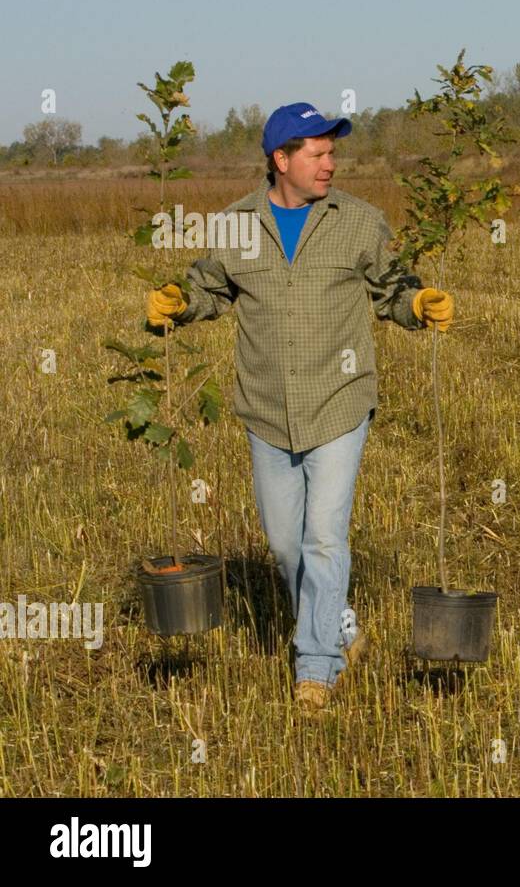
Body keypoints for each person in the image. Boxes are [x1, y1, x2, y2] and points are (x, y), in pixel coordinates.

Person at [145, 103, 454, 711]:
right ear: (280, 160)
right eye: (317, 153)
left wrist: (417, 306)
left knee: (322, 539)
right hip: (266, 408)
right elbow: (209, 288)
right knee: (286, 547)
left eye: (332, 152)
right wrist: (177, 304)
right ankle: (340, 625)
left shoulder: (359, 222)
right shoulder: (235, 225)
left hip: (339, 403)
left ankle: (316, 664)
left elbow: (393, 287)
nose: (329, 164)